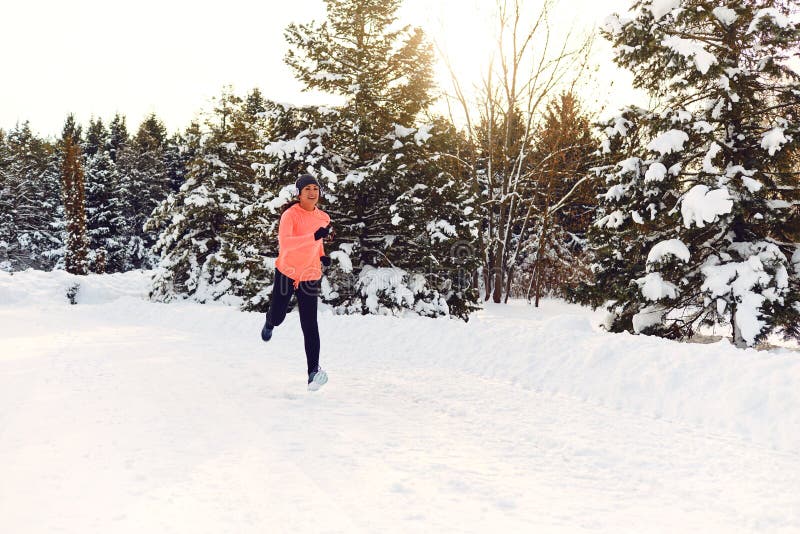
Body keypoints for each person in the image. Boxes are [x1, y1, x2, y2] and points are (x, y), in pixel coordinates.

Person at [261, 174, 333, 391]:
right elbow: (286, 244)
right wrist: (314, 237)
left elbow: (318, 242)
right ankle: (270, 321)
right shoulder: (290, 215)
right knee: (279, 315)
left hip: (310, 273)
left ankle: (313, 372)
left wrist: (321, 254)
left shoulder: (324, 218)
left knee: (310, 324)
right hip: (287, 270)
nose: (312, 192)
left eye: (315, 188)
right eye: (307, 189)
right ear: (299, 194)